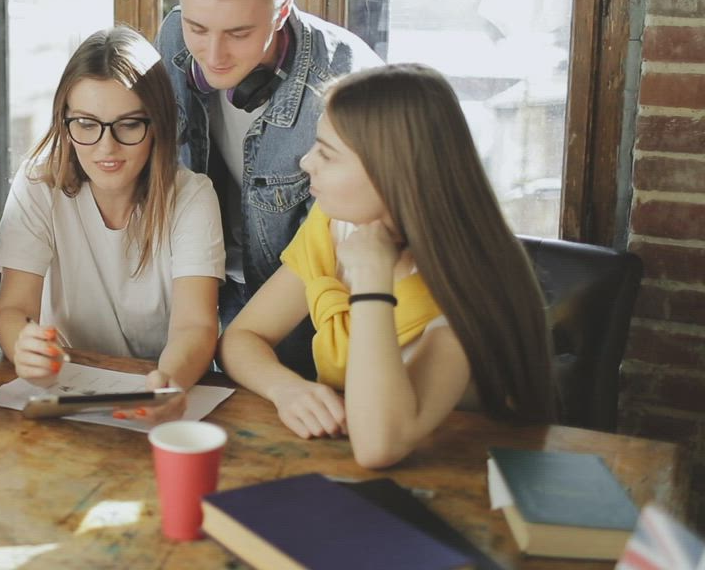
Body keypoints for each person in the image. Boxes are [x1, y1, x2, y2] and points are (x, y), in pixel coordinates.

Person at [219, 64, 556, 468]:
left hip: (461, 486)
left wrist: (371, 283)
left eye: (327, 153)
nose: (306, 162)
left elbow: (379, 446)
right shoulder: (334, 225)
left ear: (391, 174)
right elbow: (242, 337)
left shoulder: (466, 299)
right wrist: (285, 388)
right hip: (346, 473)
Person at [155, 0, 381, 377]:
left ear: (281, 12)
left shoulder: (345, 85)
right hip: (195, 288)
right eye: (199, 29)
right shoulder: (174, 34)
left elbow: (339, 255)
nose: (212, 56)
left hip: (295, 315)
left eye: (238, 34)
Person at [0, 26, 225, 422]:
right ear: (64, 121)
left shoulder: (192, 197)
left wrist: (167, 384)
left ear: (158, 124)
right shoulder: (38, 185)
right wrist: (22, 346)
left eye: (129, 124)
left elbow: (196, 326)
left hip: (156, 382)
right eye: (85, 123)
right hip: (69, 387)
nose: (106, 147)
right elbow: (13, 309)